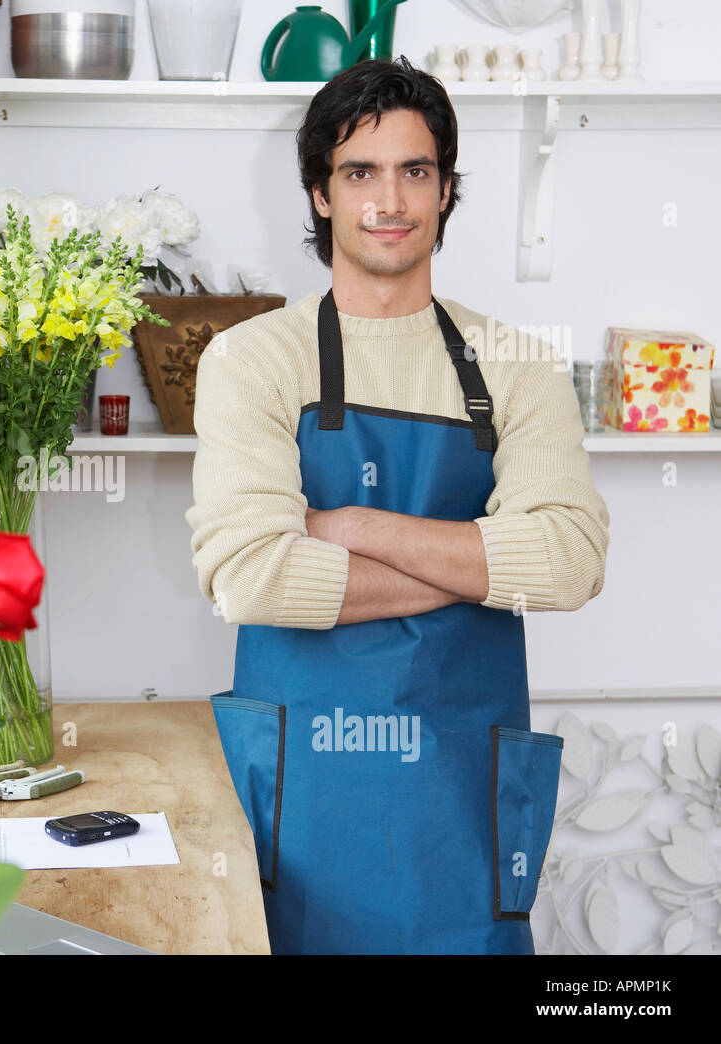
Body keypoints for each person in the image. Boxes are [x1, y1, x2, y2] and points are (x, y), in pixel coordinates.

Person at [185, 56, 610, 955]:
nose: (390, 200)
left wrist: (350, 526)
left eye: (415, 171)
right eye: (359, 172)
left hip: (458, 796)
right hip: (306, 797)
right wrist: (483, 563)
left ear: (447, 192)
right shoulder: (252, 360)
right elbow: (251, 578)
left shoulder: (519, 365)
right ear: (319, 194)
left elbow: (569, 562)